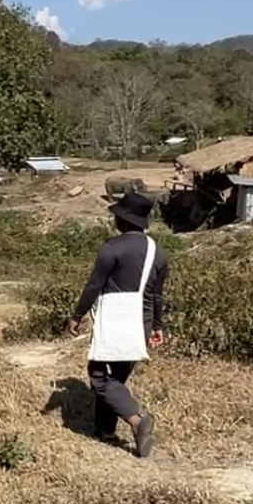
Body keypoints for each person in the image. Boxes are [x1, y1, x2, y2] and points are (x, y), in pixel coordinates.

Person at [67, 189, 167, 458]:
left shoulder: (112, 247)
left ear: (122, 220)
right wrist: (158, 326)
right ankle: (104, 429)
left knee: (99, 376)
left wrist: (77, 315)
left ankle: (136, 420)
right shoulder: (159, 253)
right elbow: (157, 294)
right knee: (117, 376)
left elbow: (94, 285)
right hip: (142, 320)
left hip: (116, 317)